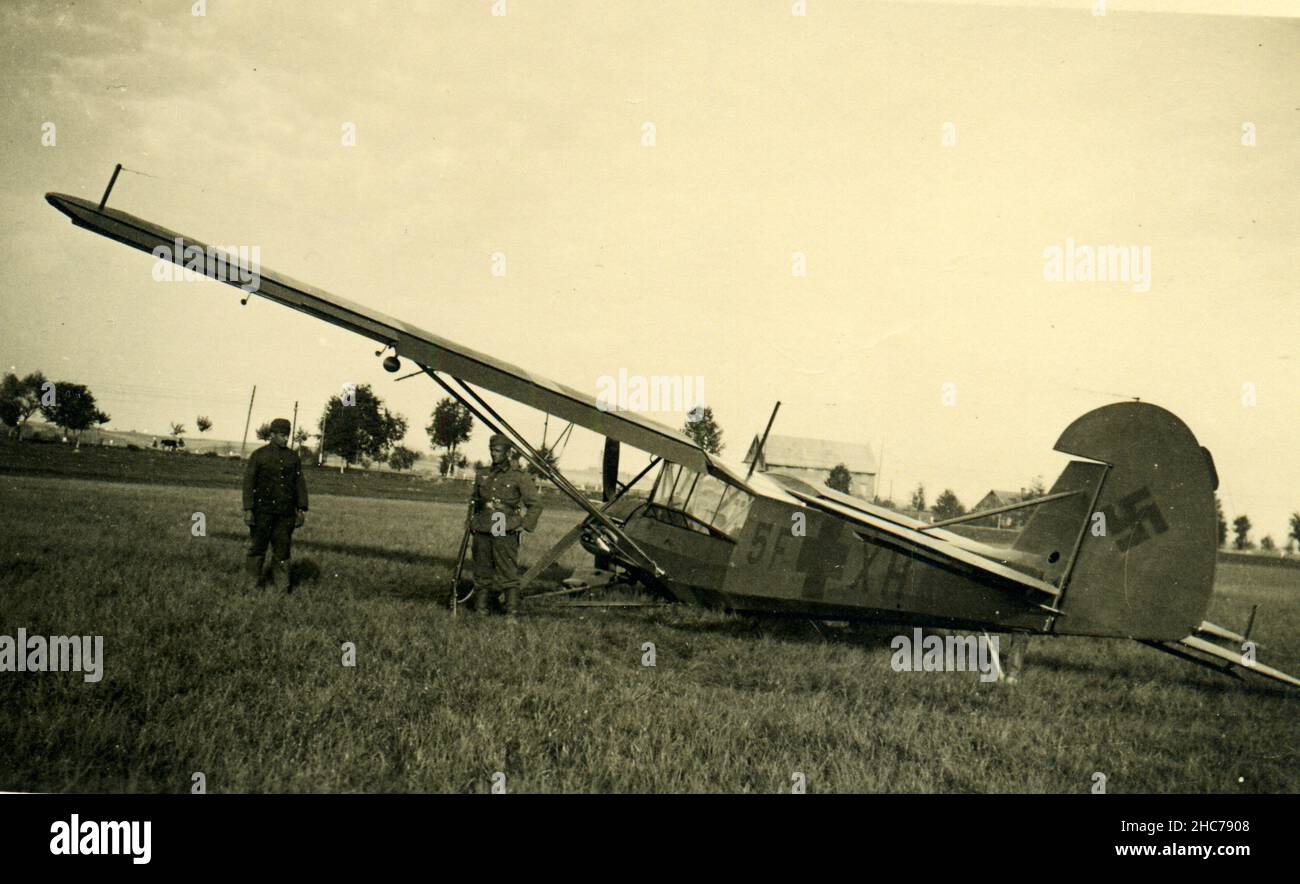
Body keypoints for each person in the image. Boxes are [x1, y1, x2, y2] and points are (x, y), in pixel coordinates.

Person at [470, 434, 542, 617]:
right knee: (482, 569)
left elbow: (535, 504)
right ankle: (481, 609)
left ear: (508, 453)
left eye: (498, 451)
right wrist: (470, 522)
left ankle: (511, 612)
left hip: (502, 522)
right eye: (492, 450)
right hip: (483, 523)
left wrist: (524, 525)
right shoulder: (483, 474)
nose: (494, 454)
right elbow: (474, 501)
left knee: (507, 570)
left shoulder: (519, 476)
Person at [242, 418, 308, 591]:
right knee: (257, 548)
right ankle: (251, 586)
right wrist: (248, 509)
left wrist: (301, 509)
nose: (285, 439)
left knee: (282, 551)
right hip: (261, 512)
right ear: (272, 435)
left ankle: (282, 589)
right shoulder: (259, 455)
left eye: (287, 435)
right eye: (281, 435)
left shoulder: (293, 458)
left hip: (285, 514)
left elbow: (299, 483)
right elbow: (249, 483)